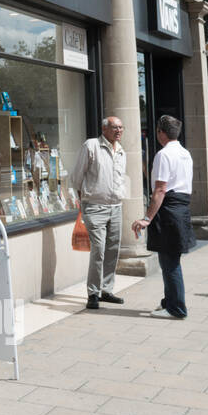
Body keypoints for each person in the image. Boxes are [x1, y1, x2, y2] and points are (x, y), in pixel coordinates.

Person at [132, 115, 195, 319]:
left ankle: (176, 308)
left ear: (161, 132)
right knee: (170, 259)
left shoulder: (163, 154)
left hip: (169, 209)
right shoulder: (185, 153)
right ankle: (169, 302)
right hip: (181, 207)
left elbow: (160, 190)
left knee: (169, 262)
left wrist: (147, 218)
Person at [69, 116, 128, 310]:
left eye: (121, 127)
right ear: (104, 129)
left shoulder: (121, 151)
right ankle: (93, 293)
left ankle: (106, 290)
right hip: (95, 207)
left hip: (116, 207)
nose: (119, 131)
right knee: (99, 250)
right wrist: (84, 199)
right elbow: (77, 177)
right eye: (115, 127)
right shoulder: (91, 146)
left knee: (113, 250)